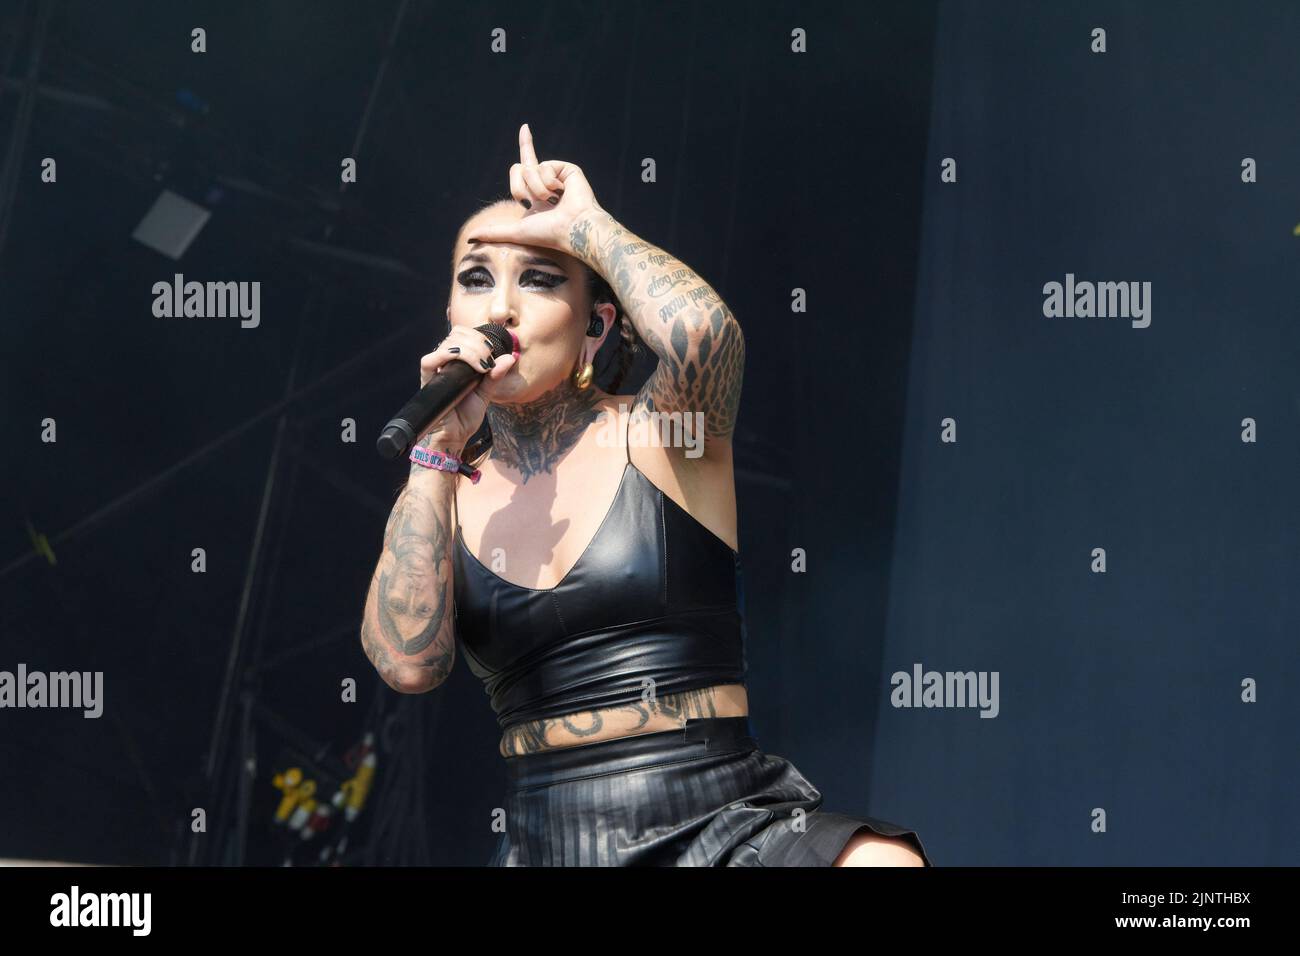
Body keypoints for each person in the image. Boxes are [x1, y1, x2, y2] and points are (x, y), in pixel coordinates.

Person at [360, 123, 932, 867]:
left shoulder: (662, 437)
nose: (500, 307)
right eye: (476, 278)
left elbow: (704, 334)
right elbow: (409, 664)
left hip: (721, 817)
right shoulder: (443, 490)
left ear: (595, 327)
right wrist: (434, 453)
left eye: (539, 278)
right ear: (450, 317)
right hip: (546, 842)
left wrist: (587, 228)